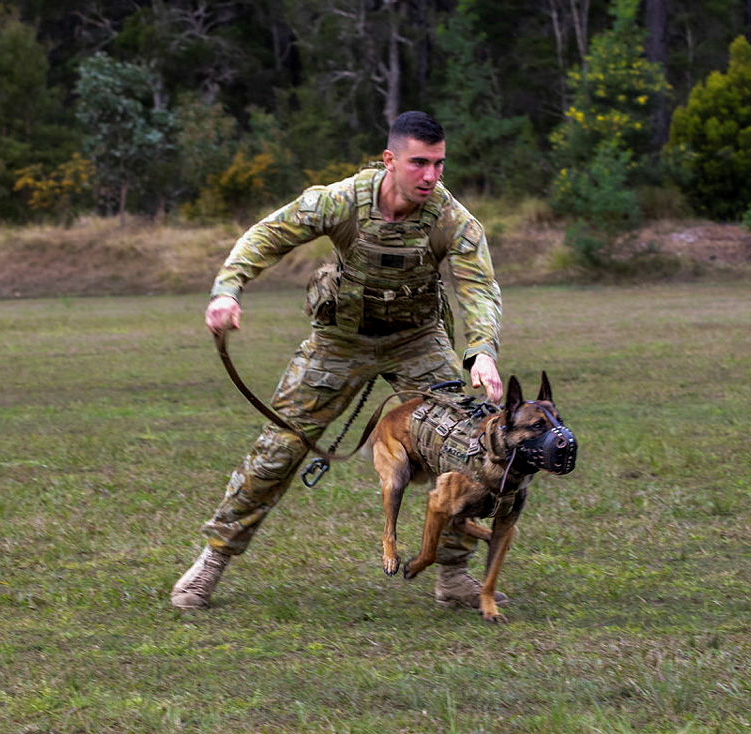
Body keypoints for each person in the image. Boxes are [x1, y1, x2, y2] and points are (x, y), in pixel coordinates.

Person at [171, 110, 505, 612]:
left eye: (438, 164)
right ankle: (211, 561)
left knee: (468, 447)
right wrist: (227, 291)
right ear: (390, 160)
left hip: (417, 340)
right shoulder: (342, 200)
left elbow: (479, 288)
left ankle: (453, 573)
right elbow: (268, 234)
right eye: (419, 163)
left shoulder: (451, 218)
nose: (431, 176)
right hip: (339, 343)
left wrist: (481, 350)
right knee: (279, 449)